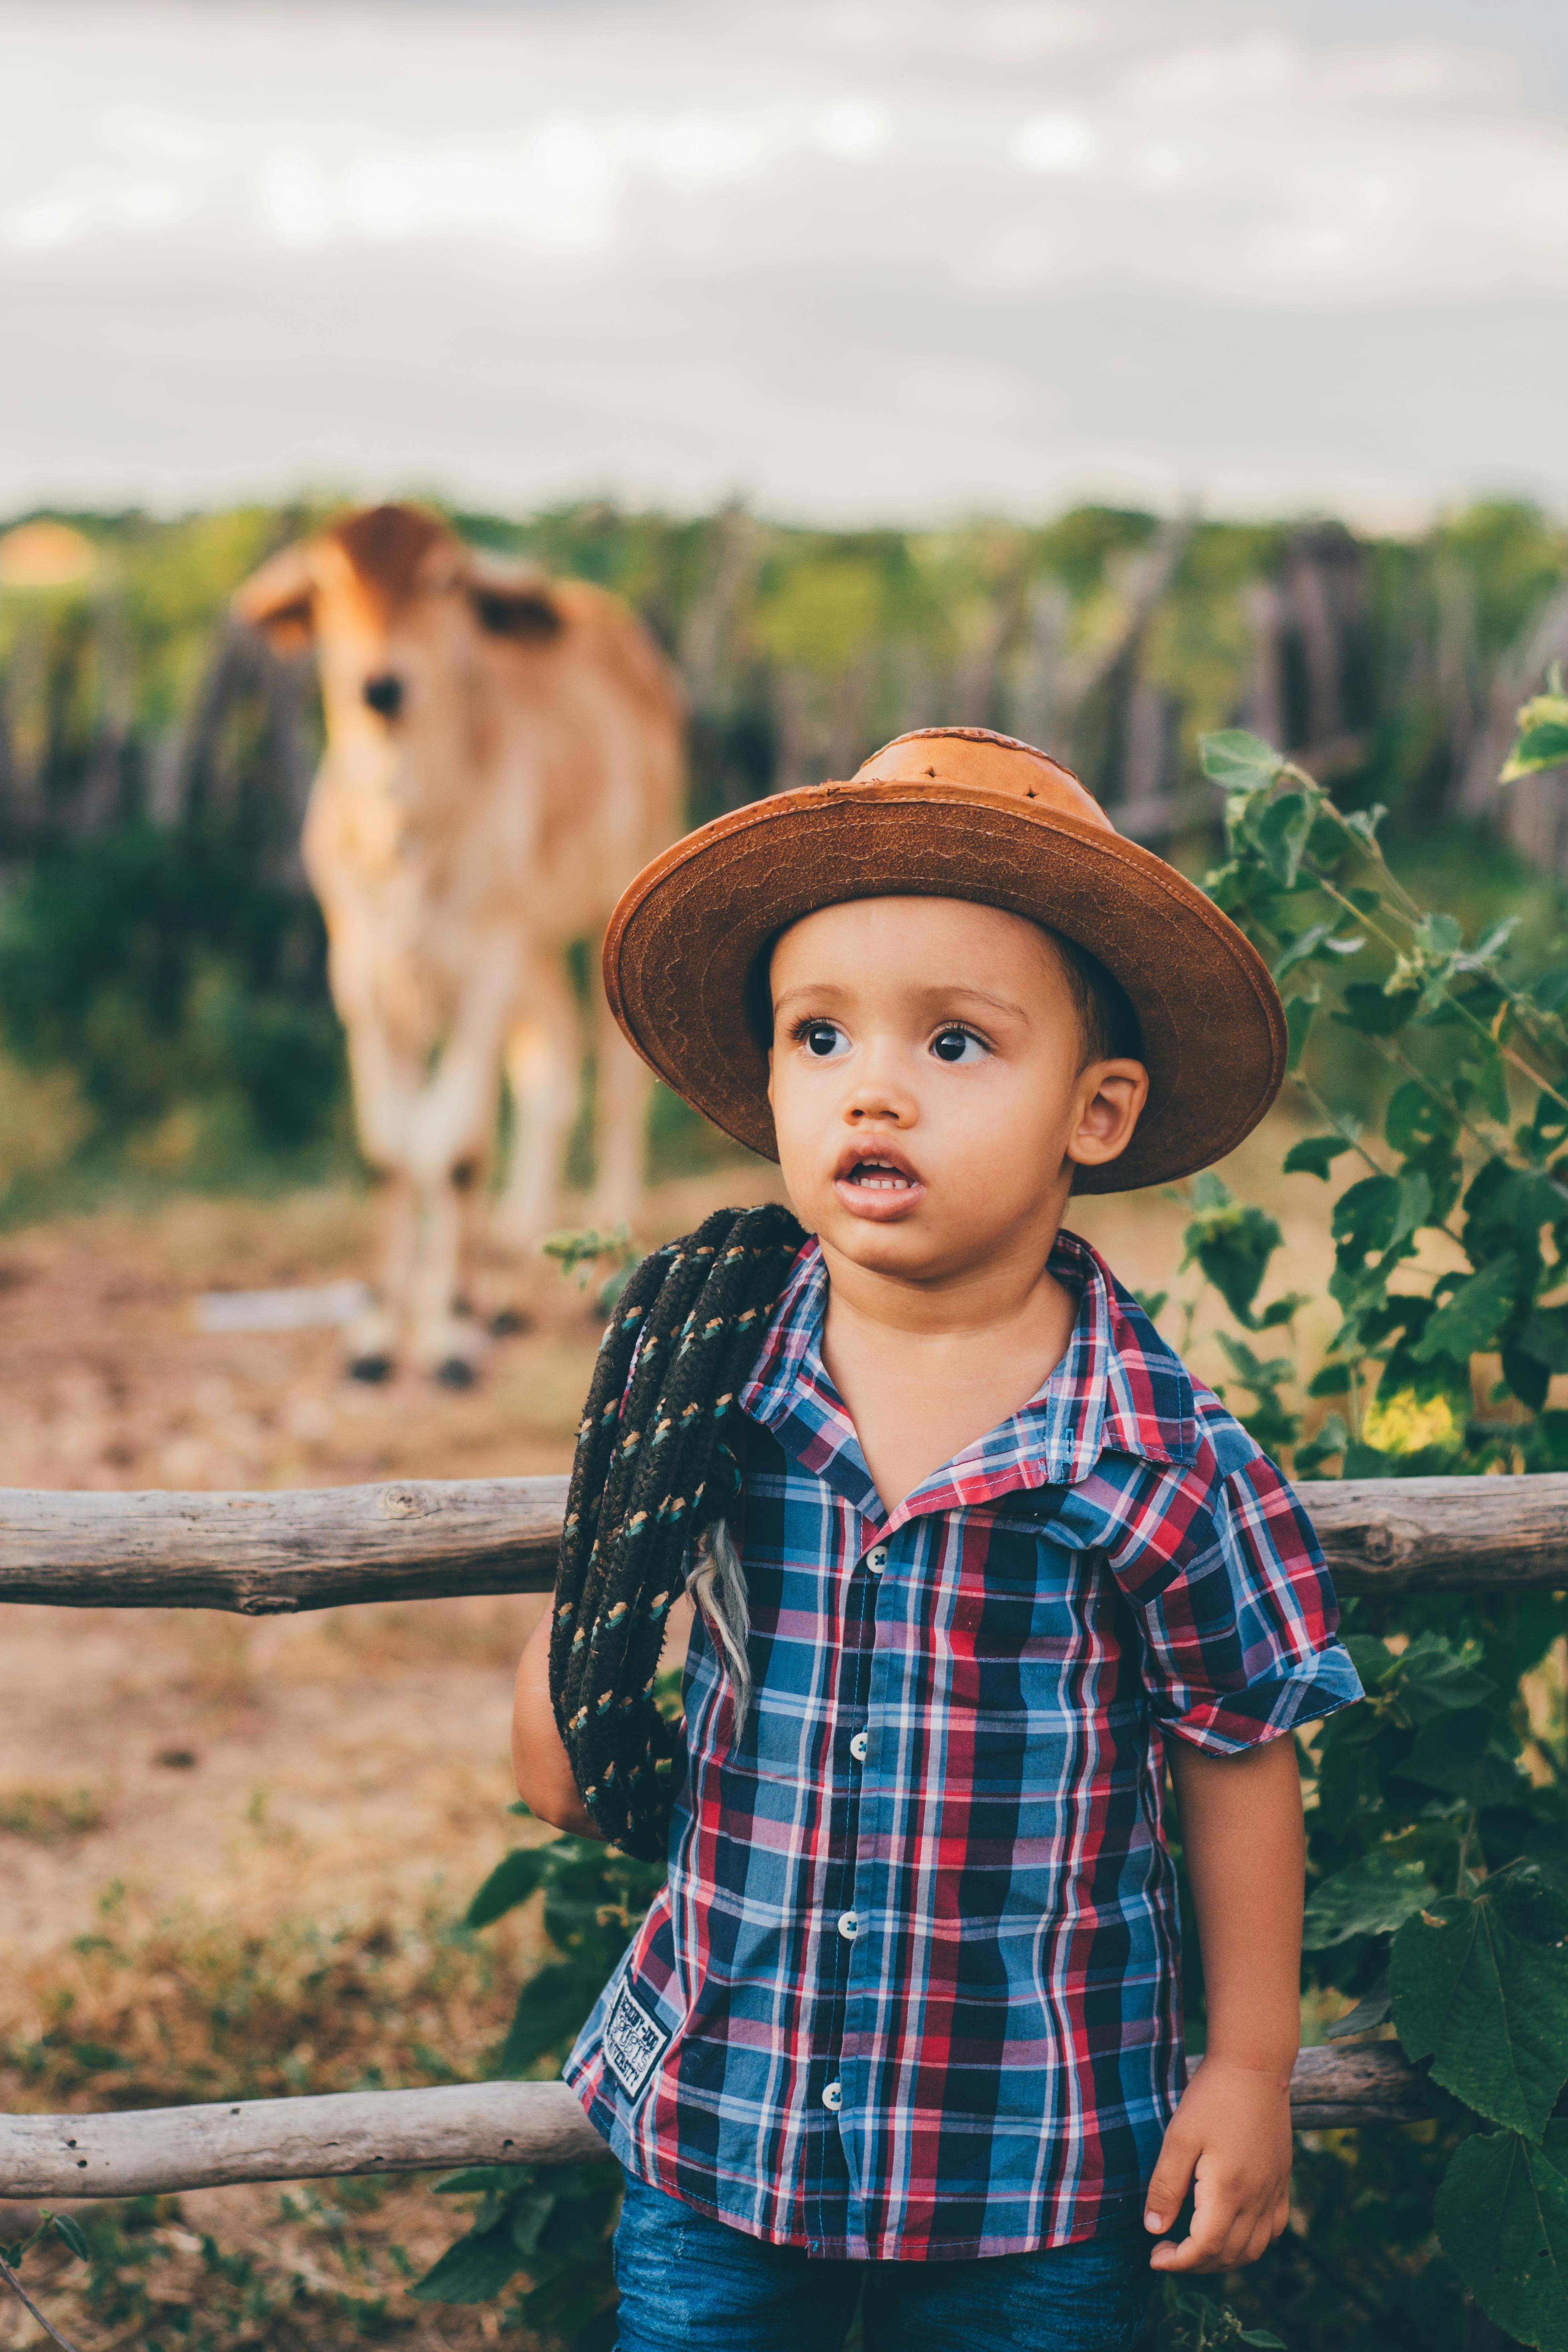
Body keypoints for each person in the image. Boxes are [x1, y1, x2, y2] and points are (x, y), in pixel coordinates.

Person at [512, 727, 1362, 2352]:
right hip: (719, 2114)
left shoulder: (1161, 1454)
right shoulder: (707, 1387)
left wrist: (1248, 2067)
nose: (871, 1087)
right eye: (816, 1035)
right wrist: (584, 1629)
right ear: (768, 1084)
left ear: (1091, 1110)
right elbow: (576, 1692)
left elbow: (1238, 1752)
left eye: (956, 1044)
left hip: (1033, 2157)